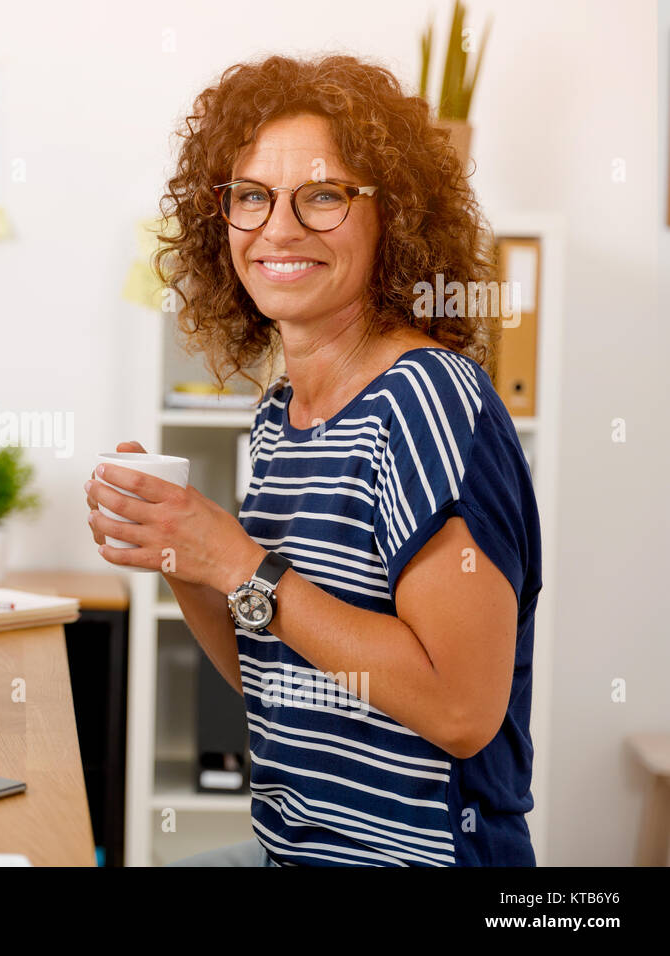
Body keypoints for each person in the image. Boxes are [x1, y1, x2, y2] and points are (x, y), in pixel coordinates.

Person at [85, 54, 540, 866]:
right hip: (288, 849)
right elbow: (273, 675)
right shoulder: (279, 417)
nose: (279, 228)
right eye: (251, 196)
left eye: (323, 196)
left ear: (392, 218)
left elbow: (463, 708)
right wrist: (185, 557)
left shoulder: (428, 400)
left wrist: (239, 559)